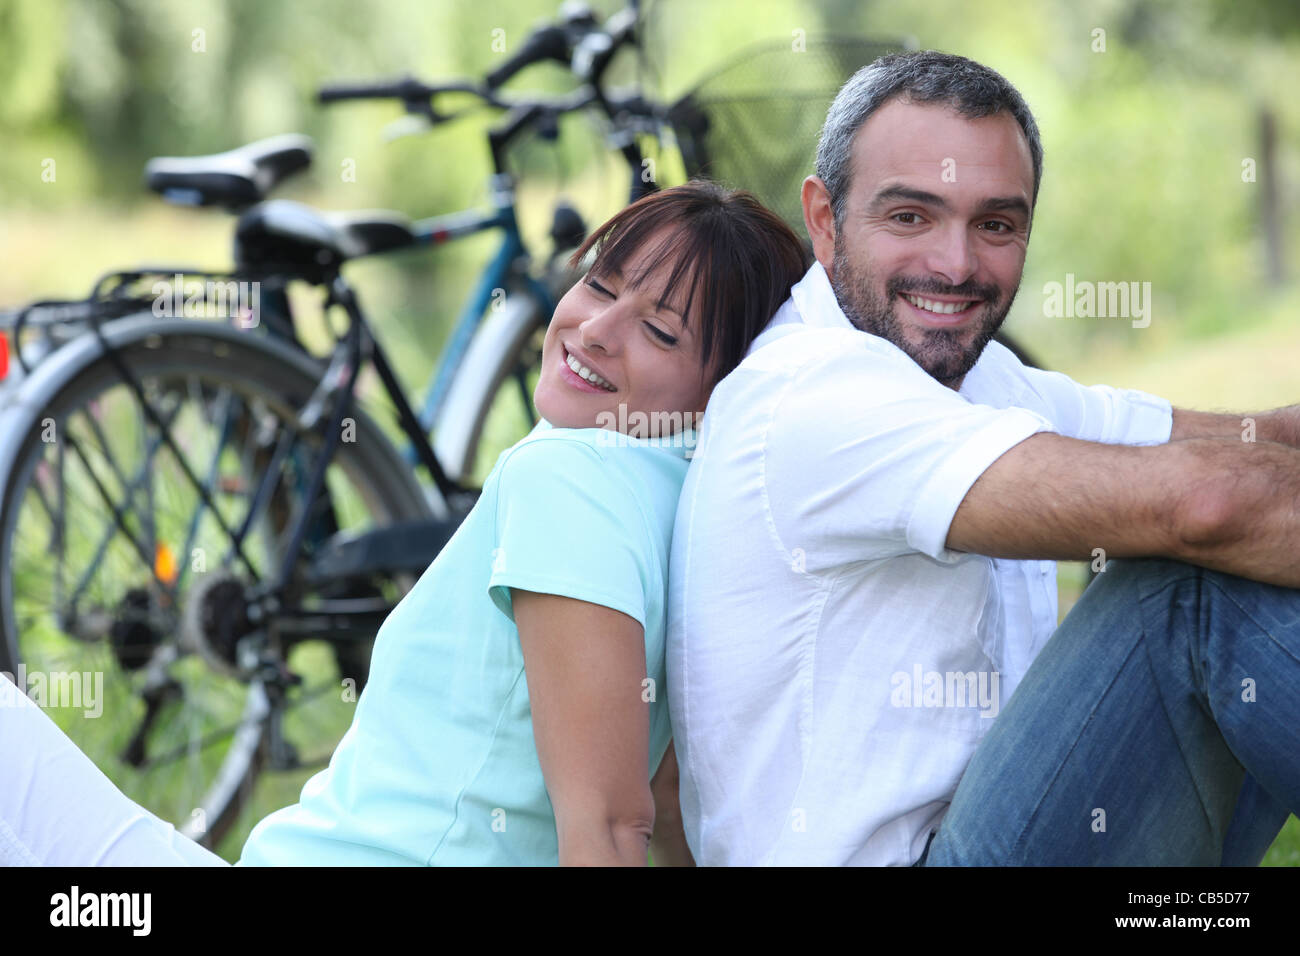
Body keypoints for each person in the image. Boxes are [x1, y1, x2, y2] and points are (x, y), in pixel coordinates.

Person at [0, 180, 808, 867]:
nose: (595, 329)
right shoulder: (689, 496)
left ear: (722, 387)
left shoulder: (574, 478)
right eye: (601, 283)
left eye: (661, 330)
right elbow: (666, 803)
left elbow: (609, 825)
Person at [667, 50, 1300, 866]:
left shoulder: (977, 373)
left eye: (995, 224)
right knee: (1190, 585)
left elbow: (1257, 441)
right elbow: (1211, 504)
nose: (957, 266)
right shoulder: (813, 397)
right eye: (910, 217)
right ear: (824, 220)